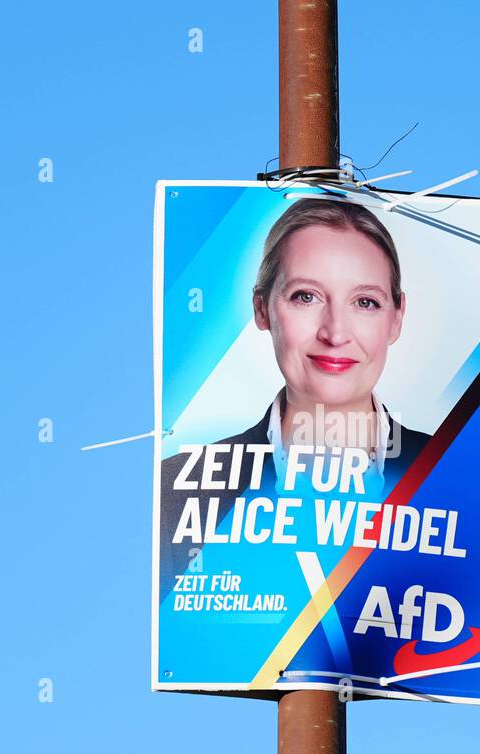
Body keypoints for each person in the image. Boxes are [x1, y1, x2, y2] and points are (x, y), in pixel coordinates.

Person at [158, 198, 431, 594]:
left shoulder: (456, 481)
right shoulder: (177, 490)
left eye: (365, 302)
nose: (335, 333)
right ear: (262, 308)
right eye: (306, 296)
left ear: (397, 317)